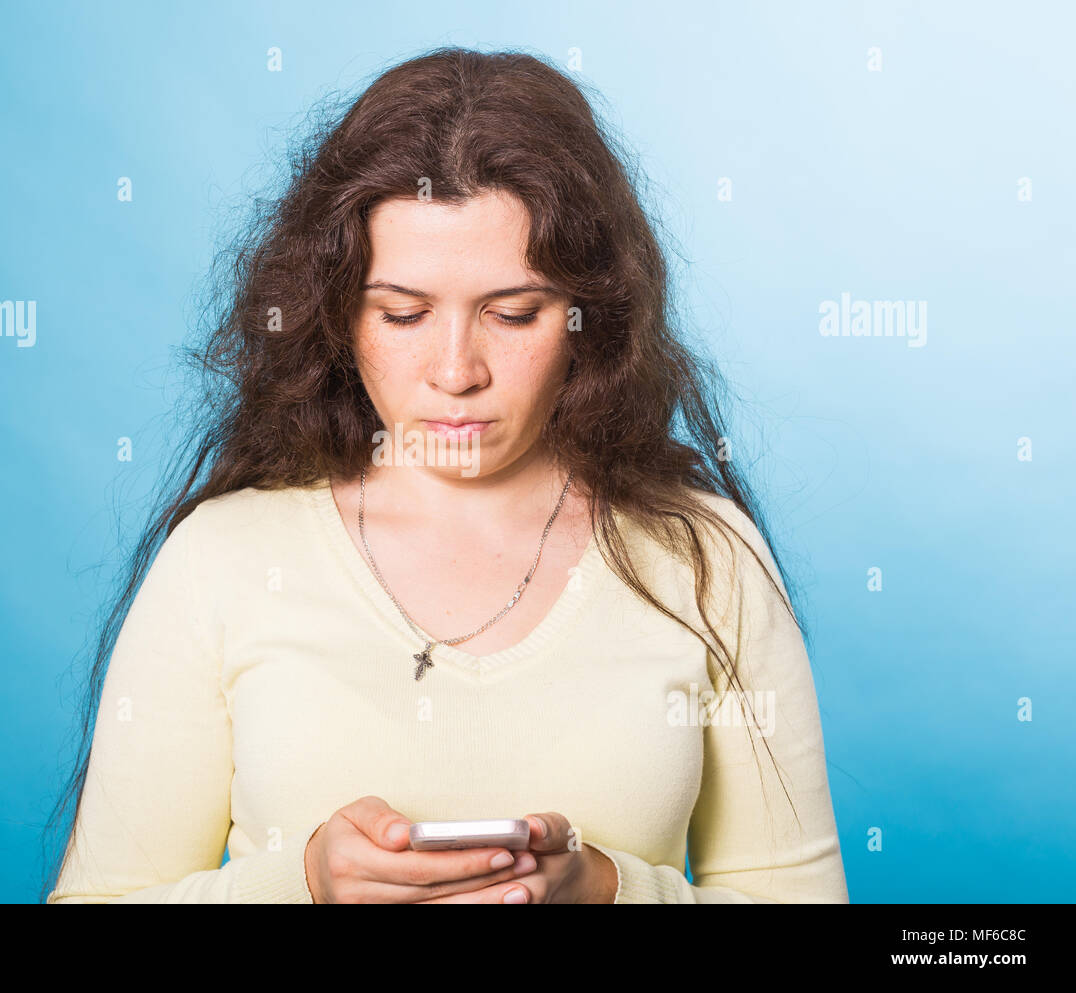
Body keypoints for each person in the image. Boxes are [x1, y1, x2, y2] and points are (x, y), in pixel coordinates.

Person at [43, 47, 848, 904]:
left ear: (588, 319)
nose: (456, 370)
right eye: (404, 312)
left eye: (512, 313)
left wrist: (609, 891)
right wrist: (302, 884)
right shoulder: (222, 559)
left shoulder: (708, 560)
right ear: (336, 315)